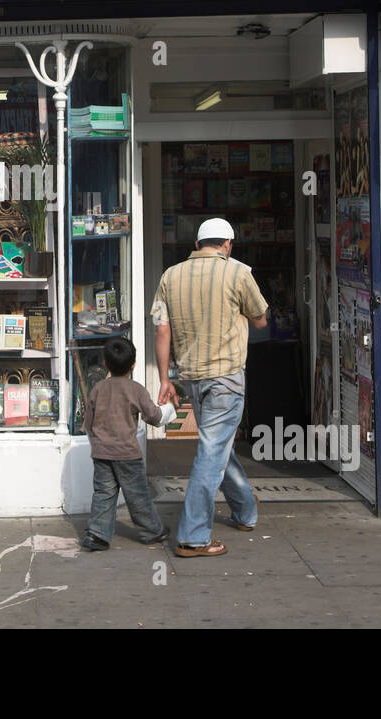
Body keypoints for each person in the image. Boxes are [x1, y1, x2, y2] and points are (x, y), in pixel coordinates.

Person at [151, 218, 268, 558]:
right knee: (211, 453)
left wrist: (164, 379)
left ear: (198, 243)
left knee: (217, 448)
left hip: (192, 377)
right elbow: (260, 318)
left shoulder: (170, 276)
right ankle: (193, 537)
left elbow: (162, 331)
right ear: (227, 244)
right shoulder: (237, 273)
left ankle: (246, 510)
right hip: (226, 378)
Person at [80, 336, 177, 552]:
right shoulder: (136, 389)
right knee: (137, 494)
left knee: (104, 493)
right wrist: (169, 409)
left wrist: (96, 443)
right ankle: (152, 531)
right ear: (133, 365)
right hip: (127, 454)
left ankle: (97, 534)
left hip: (102, 453)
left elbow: (88, 422)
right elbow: (153, 417)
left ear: (105, 364)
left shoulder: (97, 388)